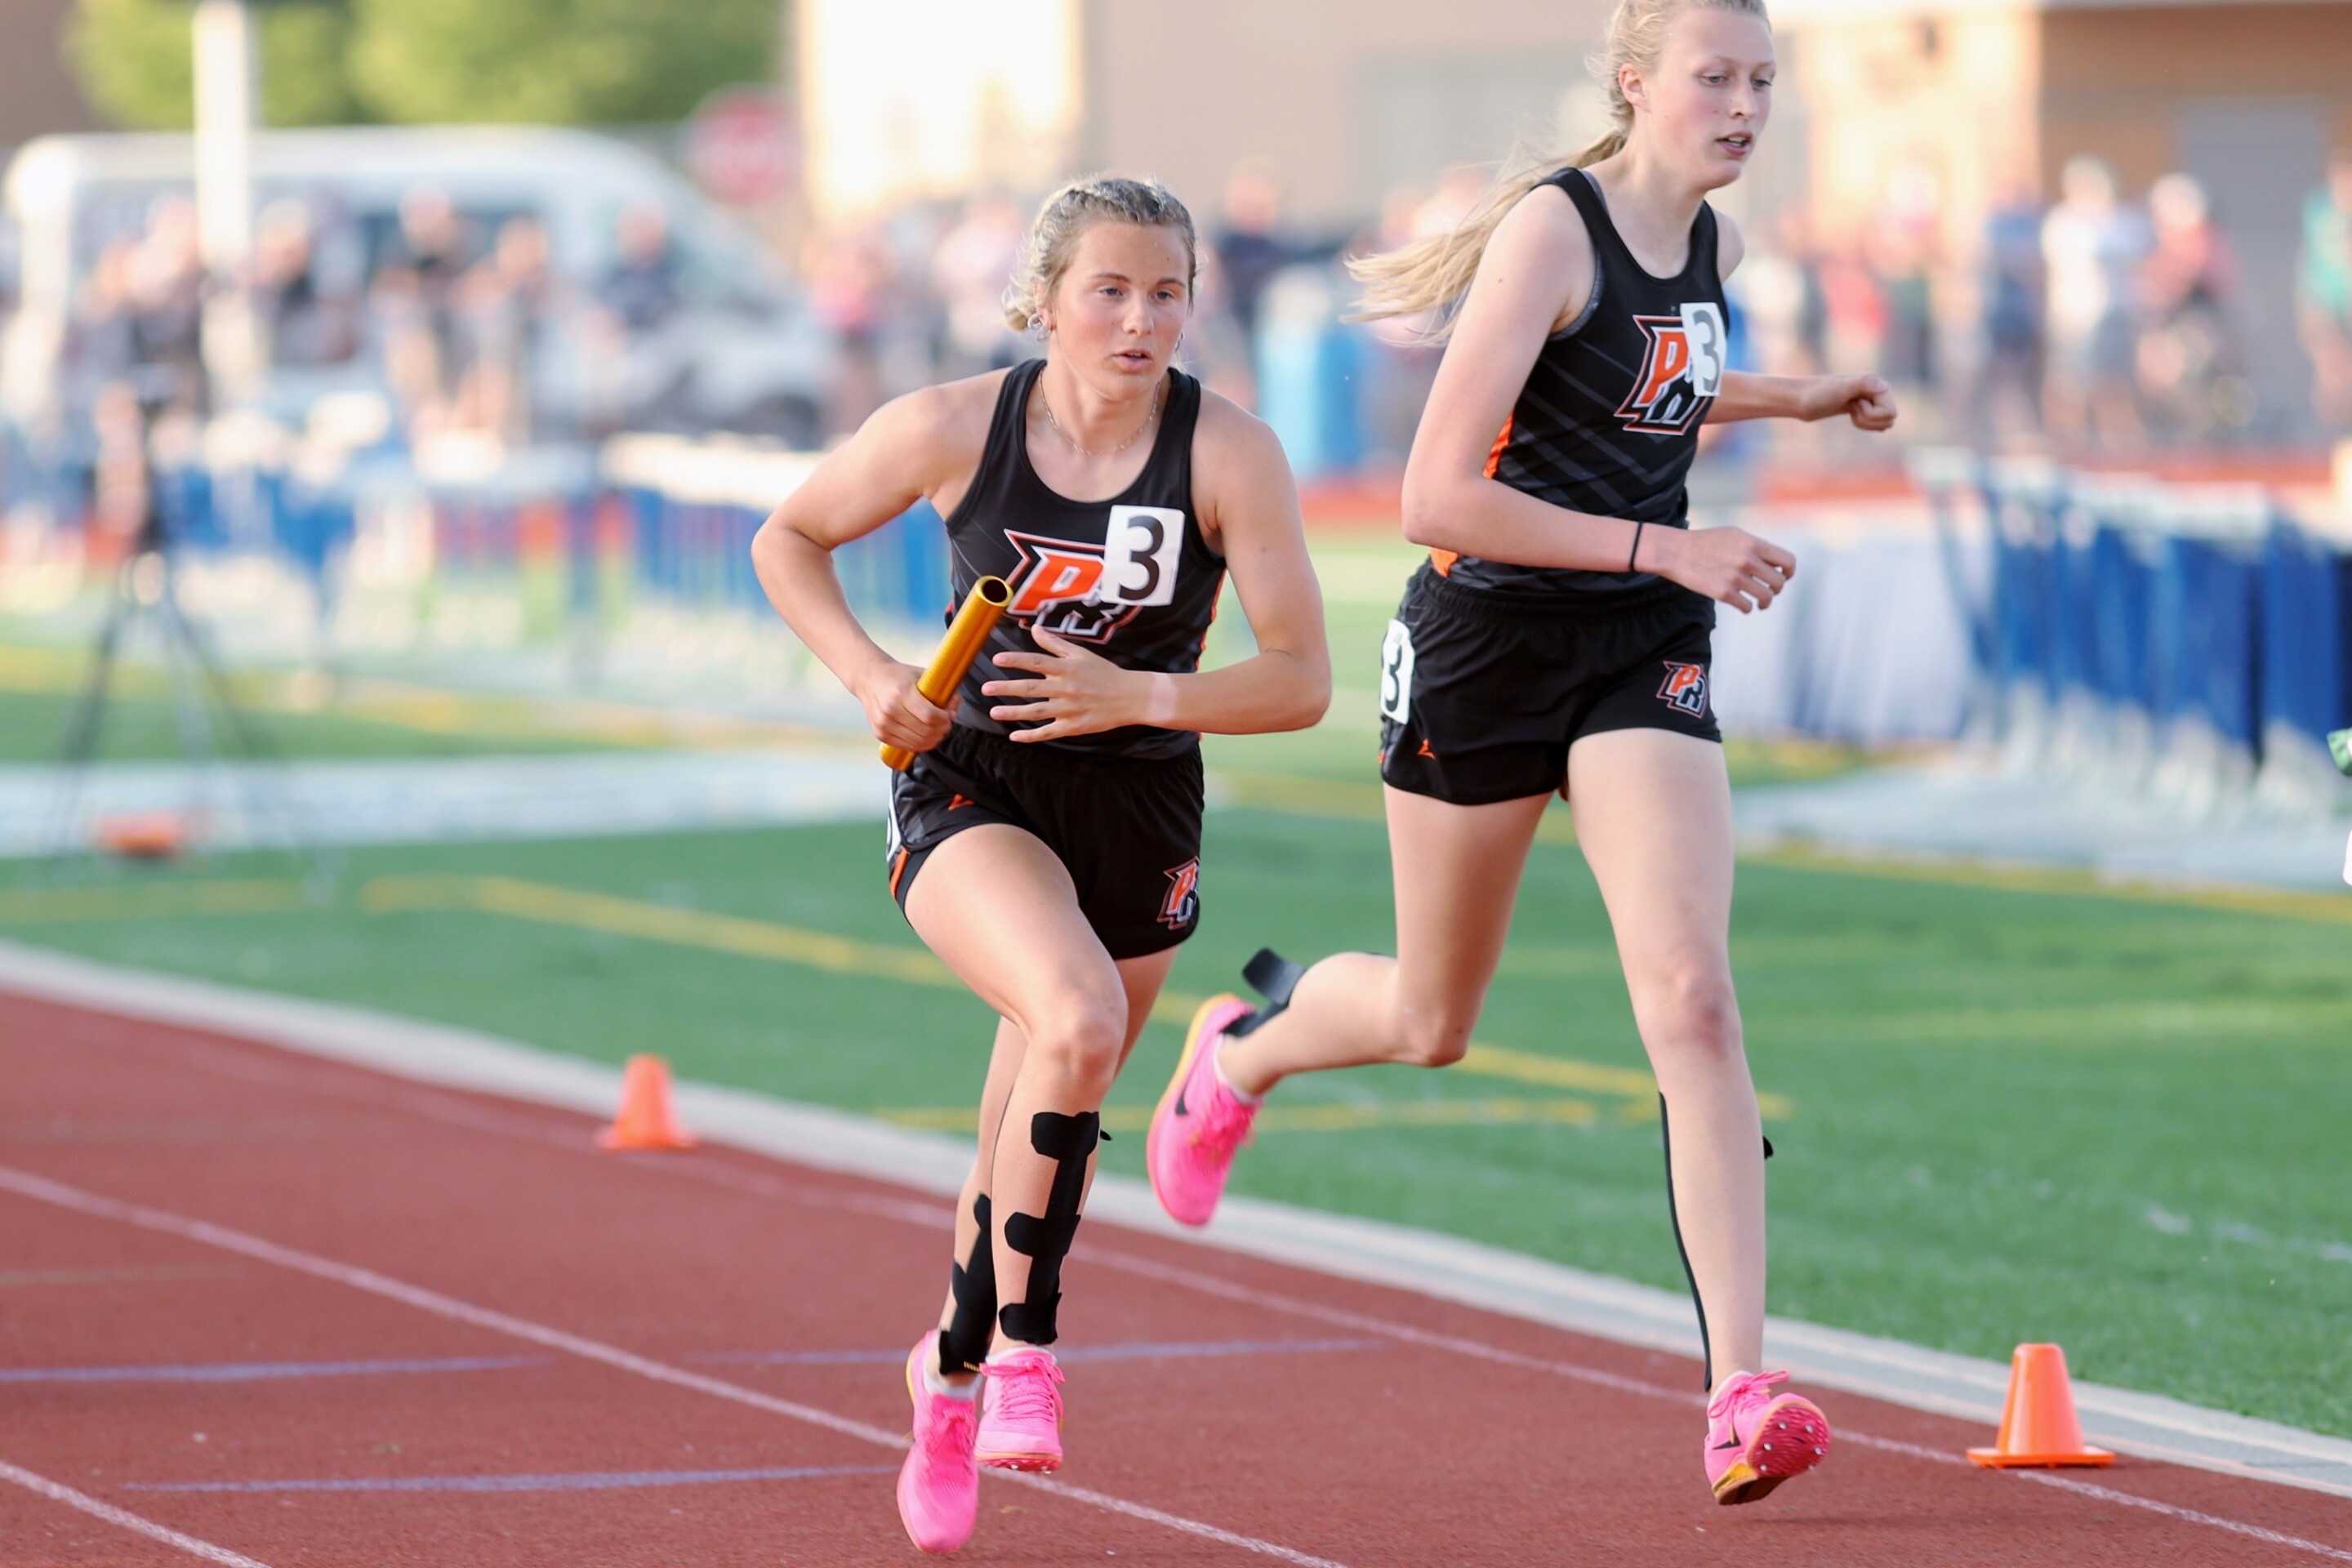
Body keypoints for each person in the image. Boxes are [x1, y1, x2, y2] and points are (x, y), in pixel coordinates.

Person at [1143, 0, 1895, 1510]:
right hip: (1482, 651)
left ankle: (1739, 1393)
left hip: (1636, 651)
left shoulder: (1714, 244)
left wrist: (1794, 397)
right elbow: (1435, 492)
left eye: (1763, 79)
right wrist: (1670, 546)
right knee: (1432, 1019)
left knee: (1692, 998)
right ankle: (1237, 1055)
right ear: (1636, 85)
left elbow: (1638, 386)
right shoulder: (1555, 233)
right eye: (1715, 77)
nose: (1746, 105)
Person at [749, 176, 1329, 1555]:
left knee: (1032, 1116)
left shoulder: (1228, 451)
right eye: (1109, 292)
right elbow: (789, 538)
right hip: (975, 786)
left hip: (1141, 808)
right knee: (1072, 1017)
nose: (1140, 321)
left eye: (1167, 293)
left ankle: (946, 1382)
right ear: (1045, 301)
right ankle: (1026, 1347)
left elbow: (1302, 677)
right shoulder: (954, 426)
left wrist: (1143, 697)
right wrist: (873, 675)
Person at [2041, 157, 2149, 450]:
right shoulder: (2064, 222)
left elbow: (2140, 264)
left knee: (2116, 380)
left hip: (2119, 310)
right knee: (2071, 383)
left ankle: (2118, 440)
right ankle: (2069, 441)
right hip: (2076, 314)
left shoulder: (2124, 221)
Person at [2296, 150, 2352, 435]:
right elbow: (2308, 258)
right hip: (2324, 304)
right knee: (2332, 367)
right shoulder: (2319, 210)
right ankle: (2333, 431)